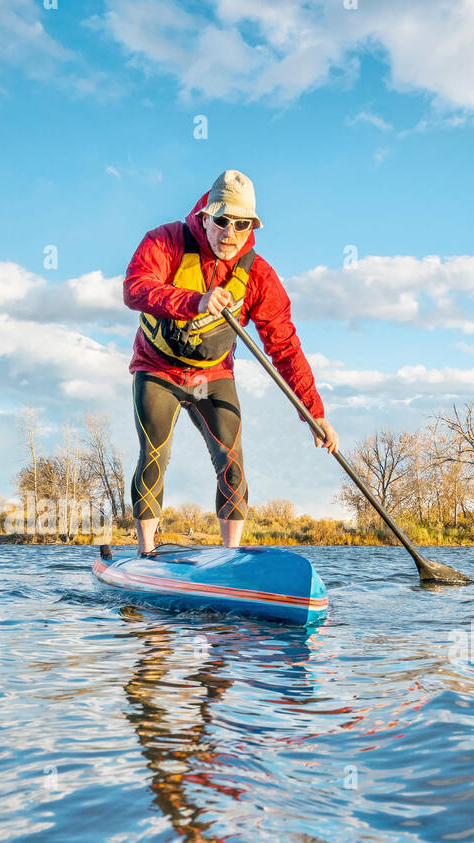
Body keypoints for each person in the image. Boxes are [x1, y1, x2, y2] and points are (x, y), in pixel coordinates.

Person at [122, 169, 337, 556]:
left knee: (231, 459)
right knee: (156, 453)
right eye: (221, 220)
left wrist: (314, 413)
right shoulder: (165, 241)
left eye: (241, 224)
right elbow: (135, 288)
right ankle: (146, 553)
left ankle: (230, 558)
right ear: (205, 215)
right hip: (158, 368)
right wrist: (195, 302)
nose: (229, 233)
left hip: (213, 374)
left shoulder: (258, 274)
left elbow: (284, 346)